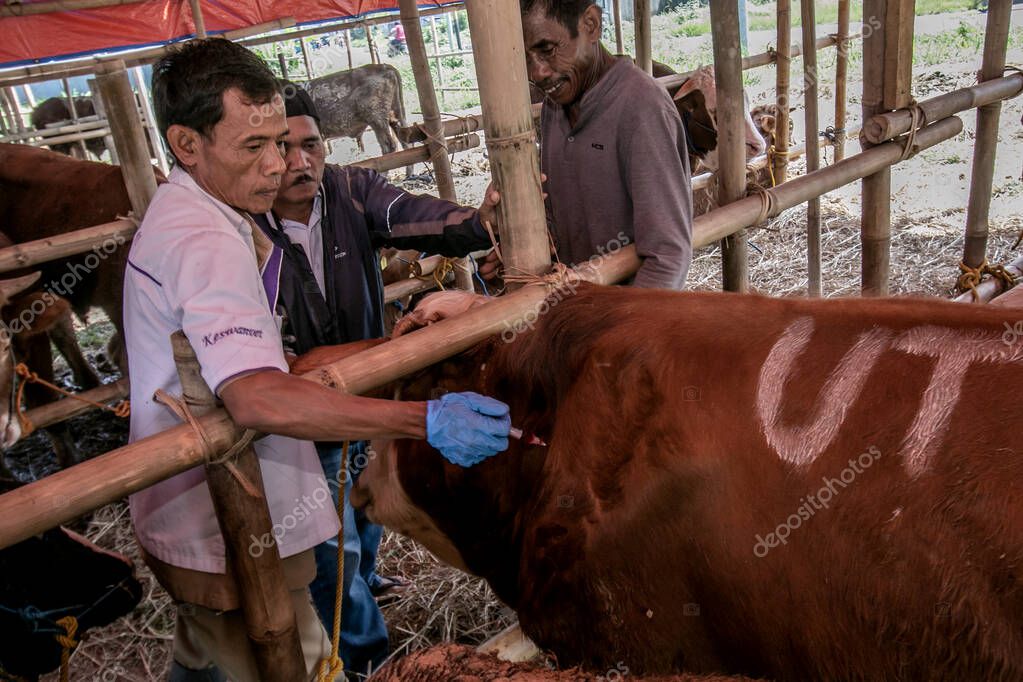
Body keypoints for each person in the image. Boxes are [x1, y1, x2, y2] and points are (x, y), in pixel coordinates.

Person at [125, 37, 510, 682]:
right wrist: (425, 419)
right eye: (255, 147)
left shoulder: (222, 211)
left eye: (282, 141)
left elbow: (418, 218)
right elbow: (256, 396)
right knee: (288, 657)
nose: (279, 165)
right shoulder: (203, 240)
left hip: (224, 501)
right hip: (227, 516)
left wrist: (474, 226)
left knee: (212, 657)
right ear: (186, 145)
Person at [254, 81, 500, 676]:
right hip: (294, 418)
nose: (300, 162)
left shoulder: (350, 191)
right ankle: (365, 656)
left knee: (362, 505)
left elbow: (411, 216)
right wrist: (389, 349)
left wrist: (477, 221)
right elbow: (284, 371)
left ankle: (365, 580)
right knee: (327, 544)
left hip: (365, 395)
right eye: (283, 149)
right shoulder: (244, 227)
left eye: (311, 145)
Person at [520, 0, 693, 289]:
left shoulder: (641, 107)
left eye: (547, 50)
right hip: (576, 305)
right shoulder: (555, 105)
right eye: (524, 58)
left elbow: (667, 255)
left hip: (622, 317)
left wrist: (627, 330)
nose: (537, 73)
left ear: (590, 25)